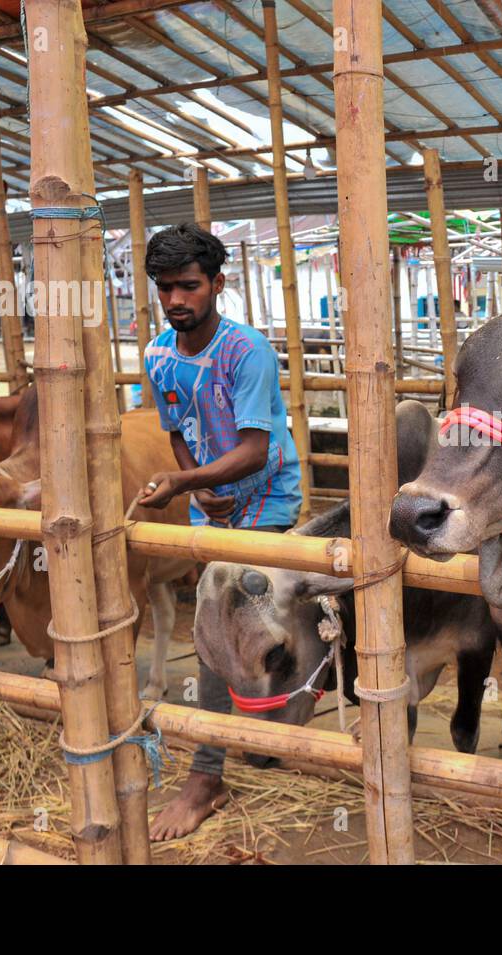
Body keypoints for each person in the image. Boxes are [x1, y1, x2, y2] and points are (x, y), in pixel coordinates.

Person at [135, 223, 302, 841]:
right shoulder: (158, 356)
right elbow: (177, 428)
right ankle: (254, 735)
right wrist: (196, 482)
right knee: (236, 618)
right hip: (213, 503)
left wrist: (183, 485)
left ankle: (207, 773)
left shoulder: (245, 351)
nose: (176, 300)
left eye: (189, 286)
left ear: (216, 285)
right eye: (165, 289)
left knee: (220, 615)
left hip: (268, 498)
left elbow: (256, 450)